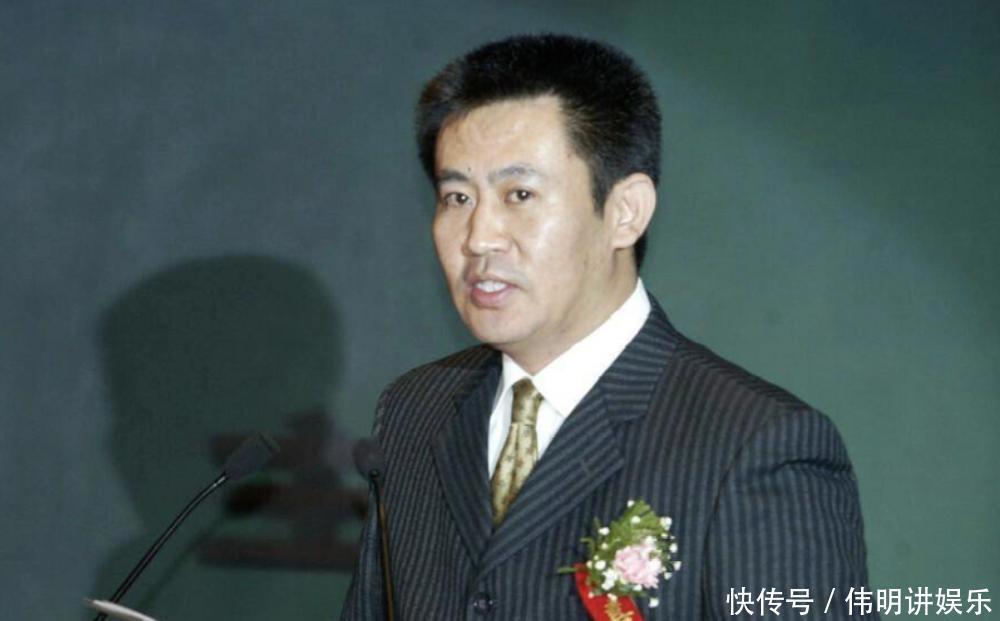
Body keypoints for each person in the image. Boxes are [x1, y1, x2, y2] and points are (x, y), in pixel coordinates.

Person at [341, 34, 874, 620]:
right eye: (457, 197)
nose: (479, 238)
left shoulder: (758, 444)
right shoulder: (415, 410)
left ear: (626, 212)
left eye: (520, 194)